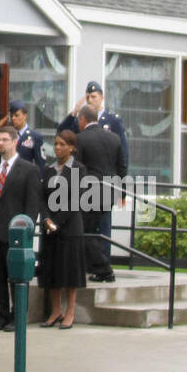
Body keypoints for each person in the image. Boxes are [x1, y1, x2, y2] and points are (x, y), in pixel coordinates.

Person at [0, 126, 43, 330]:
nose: (1, 143)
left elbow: (32, 203)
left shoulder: (29, 170)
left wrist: (26, 230)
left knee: (16, 276)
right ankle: (0, 316)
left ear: (15, 142)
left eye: (5, 140)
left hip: (15, 233)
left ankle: (17, 317)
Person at [75, 103, 127, 283]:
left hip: (90, 191)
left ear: (83, 119)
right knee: (97, 229)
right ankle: (96, 266)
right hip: (111, 189)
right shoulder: (114, 138)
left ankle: (103, 268)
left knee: (86, 231)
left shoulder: (81, 139)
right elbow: (122, 166)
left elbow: (78, 169)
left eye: (79, 120)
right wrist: (121, 192)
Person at [38, 129, 85, 328]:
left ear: (72, 148)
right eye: (56, 144)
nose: (57, 148)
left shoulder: (79, 169)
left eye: (62, 144)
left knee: (69, 272)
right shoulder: (49, 169)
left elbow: (76, 199)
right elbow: (42, 197)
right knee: (51, 271)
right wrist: (47, 219)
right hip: (50, 229)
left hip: (69, 228)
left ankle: (70, 312)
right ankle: (55, 311)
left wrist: (58, 222)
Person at [0, 101, 46, 172]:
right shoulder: (5, 135)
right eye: (11, 116)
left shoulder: (35, 137)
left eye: (16, 115)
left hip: (26, 177)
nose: (13, 118)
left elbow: (40, 164)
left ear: (25, 116)